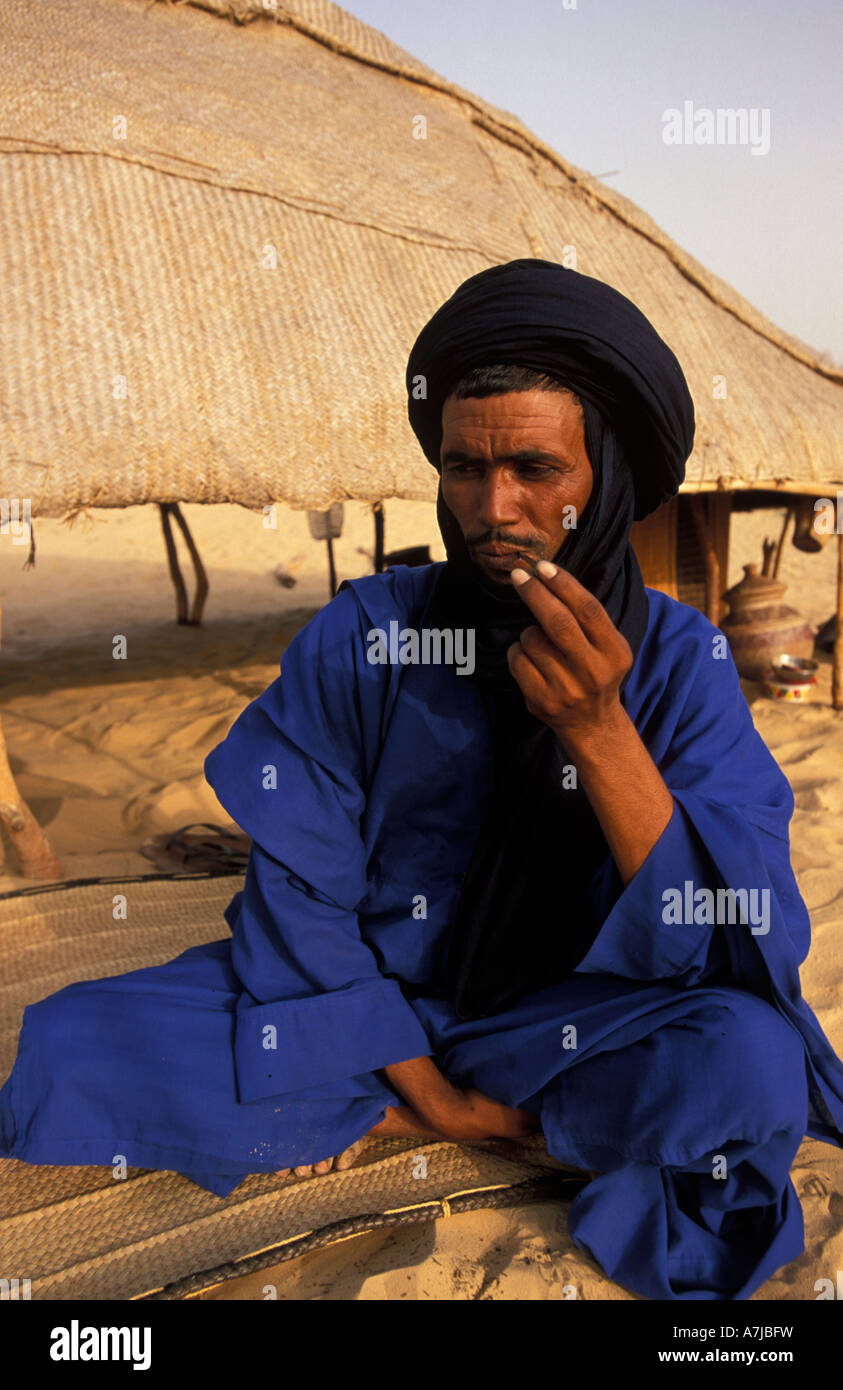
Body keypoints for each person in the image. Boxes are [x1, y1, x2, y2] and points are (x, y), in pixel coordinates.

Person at [2, 259, 842, 1302]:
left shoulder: (680, 662)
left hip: (580, 1018)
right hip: (369, 1013)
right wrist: (427, 1087)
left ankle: (468, 1115)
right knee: (81, 1039)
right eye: (462, 469)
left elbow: (736, 938)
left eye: (536, 469)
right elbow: (298, 896)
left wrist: (600, 733)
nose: (494, 509)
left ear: (608, 473)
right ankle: (506, 1123)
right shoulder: (368, 634)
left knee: (749, 1066)